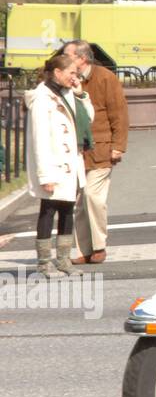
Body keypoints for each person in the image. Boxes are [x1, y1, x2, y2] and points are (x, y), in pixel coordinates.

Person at [25, 53, 94, 278]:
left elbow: (87, 119)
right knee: (48, 211)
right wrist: (45, 174)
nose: (75, 76)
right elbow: (39, 138)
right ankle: (44, 263)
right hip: (54, 163)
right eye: (72, 73)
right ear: (58, 72)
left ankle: (64, 260)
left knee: (67, 210)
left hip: (70, 163)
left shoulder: (68, 94)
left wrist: (80, 93)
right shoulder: (42, 98)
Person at [61, 40, 127, 264]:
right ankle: (84, 250)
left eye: (68, 55)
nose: (65, 58)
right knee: (78, 202)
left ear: (82, 58)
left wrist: (118, 146)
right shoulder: (67, 79)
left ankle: (99, 246)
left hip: (101, 148)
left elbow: (119, 113)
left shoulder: (105, 78)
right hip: (77, 150)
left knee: (93, 196)